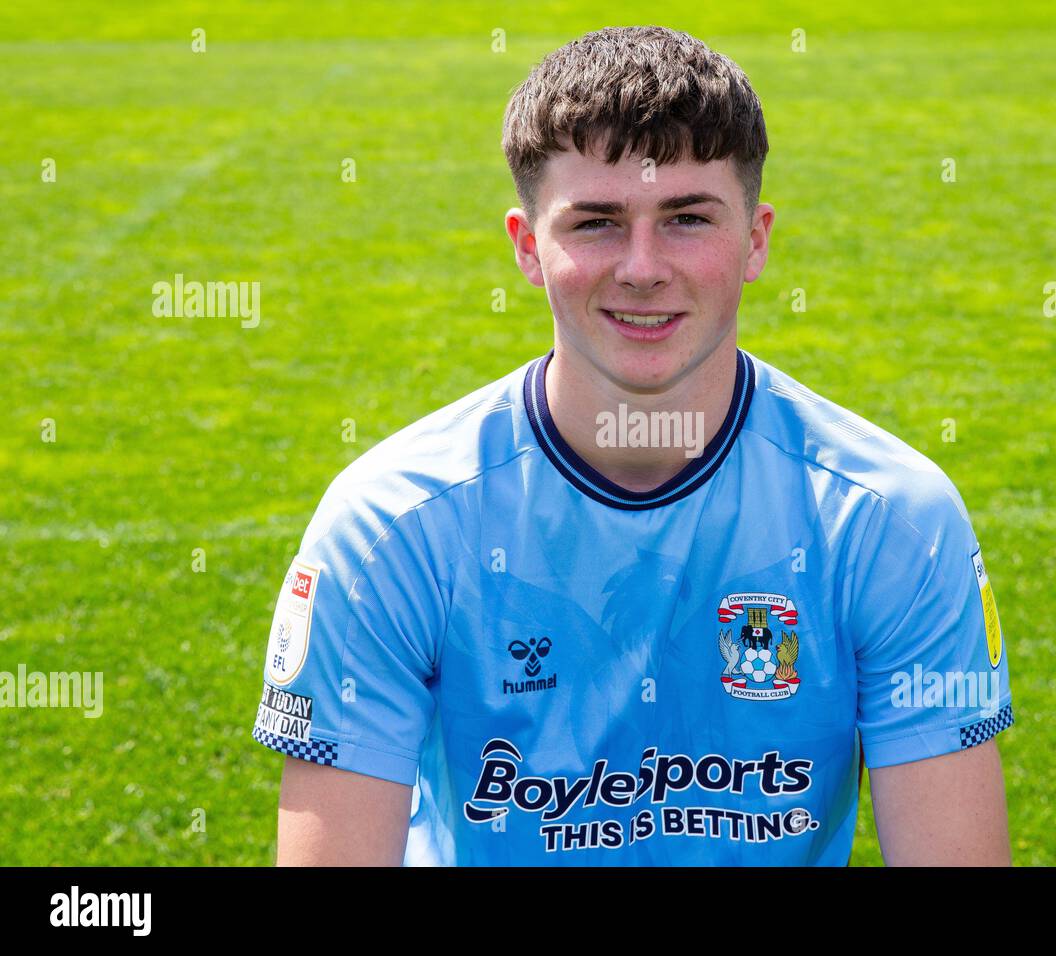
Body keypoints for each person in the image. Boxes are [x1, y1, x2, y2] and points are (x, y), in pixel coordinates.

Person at [252, 24, 1014, 866]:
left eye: (688, 218)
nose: (643, 267)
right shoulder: (388, 528)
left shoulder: (892, 521)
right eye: (597, 224)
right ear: (527, 247)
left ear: (756, 239)